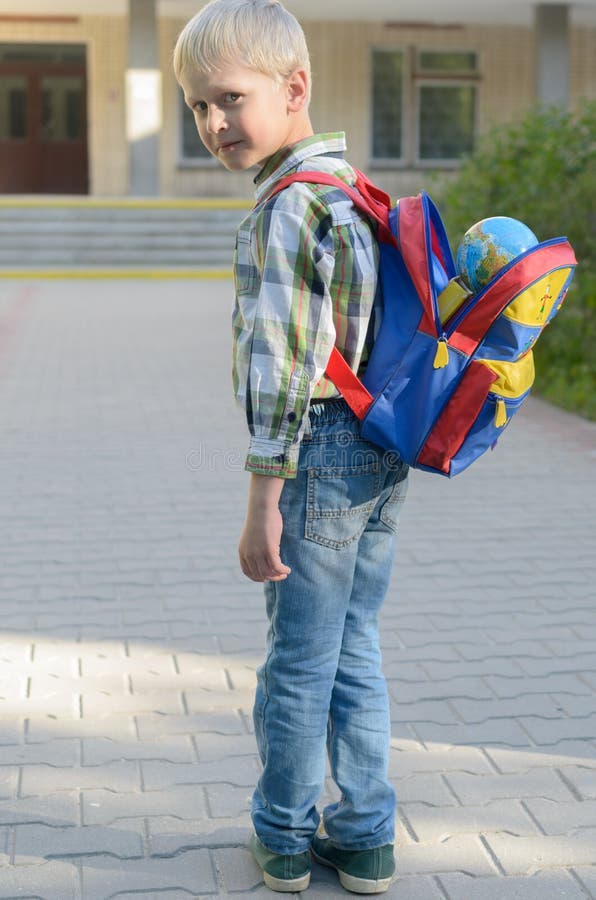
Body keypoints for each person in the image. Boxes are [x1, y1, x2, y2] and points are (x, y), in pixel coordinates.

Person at [173, 1, 409, 892]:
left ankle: (281, 830)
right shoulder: (352, 189)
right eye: (199, 107)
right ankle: (366, 833)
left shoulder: (287, 208)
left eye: (230, 98)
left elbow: (281, 368)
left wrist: (261, 500)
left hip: (317, 452)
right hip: (380, 453)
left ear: (295, 87)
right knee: (355, 648)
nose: (214, 123)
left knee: (299, 661)